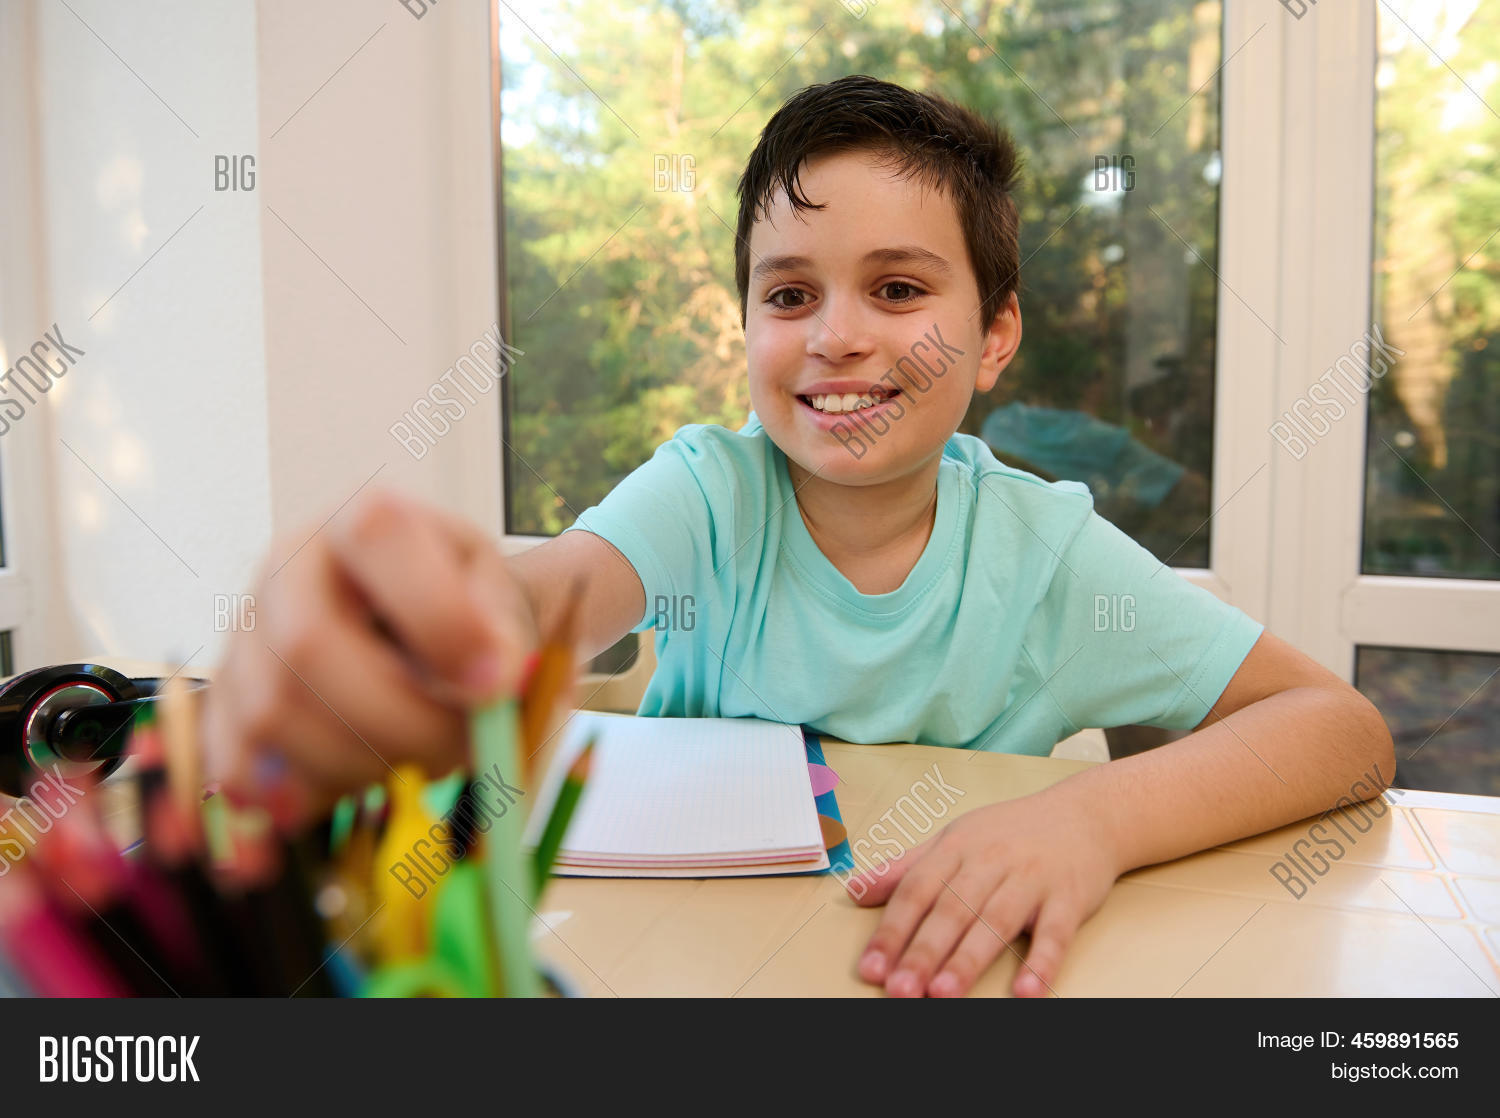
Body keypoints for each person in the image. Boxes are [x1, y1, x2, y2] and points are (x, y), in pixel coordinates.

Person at [203, 75, 1394, 998]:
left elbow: (1338, 729)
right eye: (788, 295)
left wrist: (1094, 814)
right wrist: (409, 615)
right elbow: (542, 597)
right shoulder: (709, 491)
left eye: (897, 289)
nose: (835, 337)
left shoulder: (1050, 554)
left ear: (993, 336)